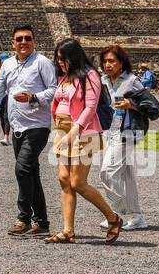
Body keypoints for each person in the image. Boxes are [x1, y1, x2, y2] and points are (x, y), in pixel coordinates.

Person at [44, 37, 123, 244]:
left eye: (63, 59)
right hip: (62, 130)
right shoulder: (65, 76)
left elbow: (90, 107)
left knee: (78, 182)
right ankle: (68, 231)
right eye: (58, 59)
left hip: (83, 131)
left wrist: (74, 131)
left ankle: (113, 218)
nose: (60, 63)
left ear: (74, 56)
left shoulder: (90, 75)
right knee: (64, 179)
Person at [0, 25, 56, 237]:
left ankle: (23, 217)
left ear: (34, 41)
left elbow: (54, 89)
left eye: (28, 38)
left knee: (22, 169)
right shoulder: (7, 64)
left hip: (38, 126)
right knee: (31, 173)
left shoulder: (42, 62)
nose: (24, 42)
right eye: (19, 39)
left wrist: (33, 97)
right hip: (17, 127)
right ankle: (41, 222)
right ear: (13, 43)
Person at [97, 45, 153, 231]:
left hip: (127, 132)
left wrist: (132, 104)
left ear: (121, 63)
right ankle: (137, 217)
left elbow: (151, 105)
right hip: (109, 132)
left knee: (107, 172)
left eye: (112, 61)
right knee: (125, 175)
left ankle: (116, 214)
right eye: (105, 61)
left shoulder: (132, 81)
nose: (107, 64)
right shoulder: (102, 80)